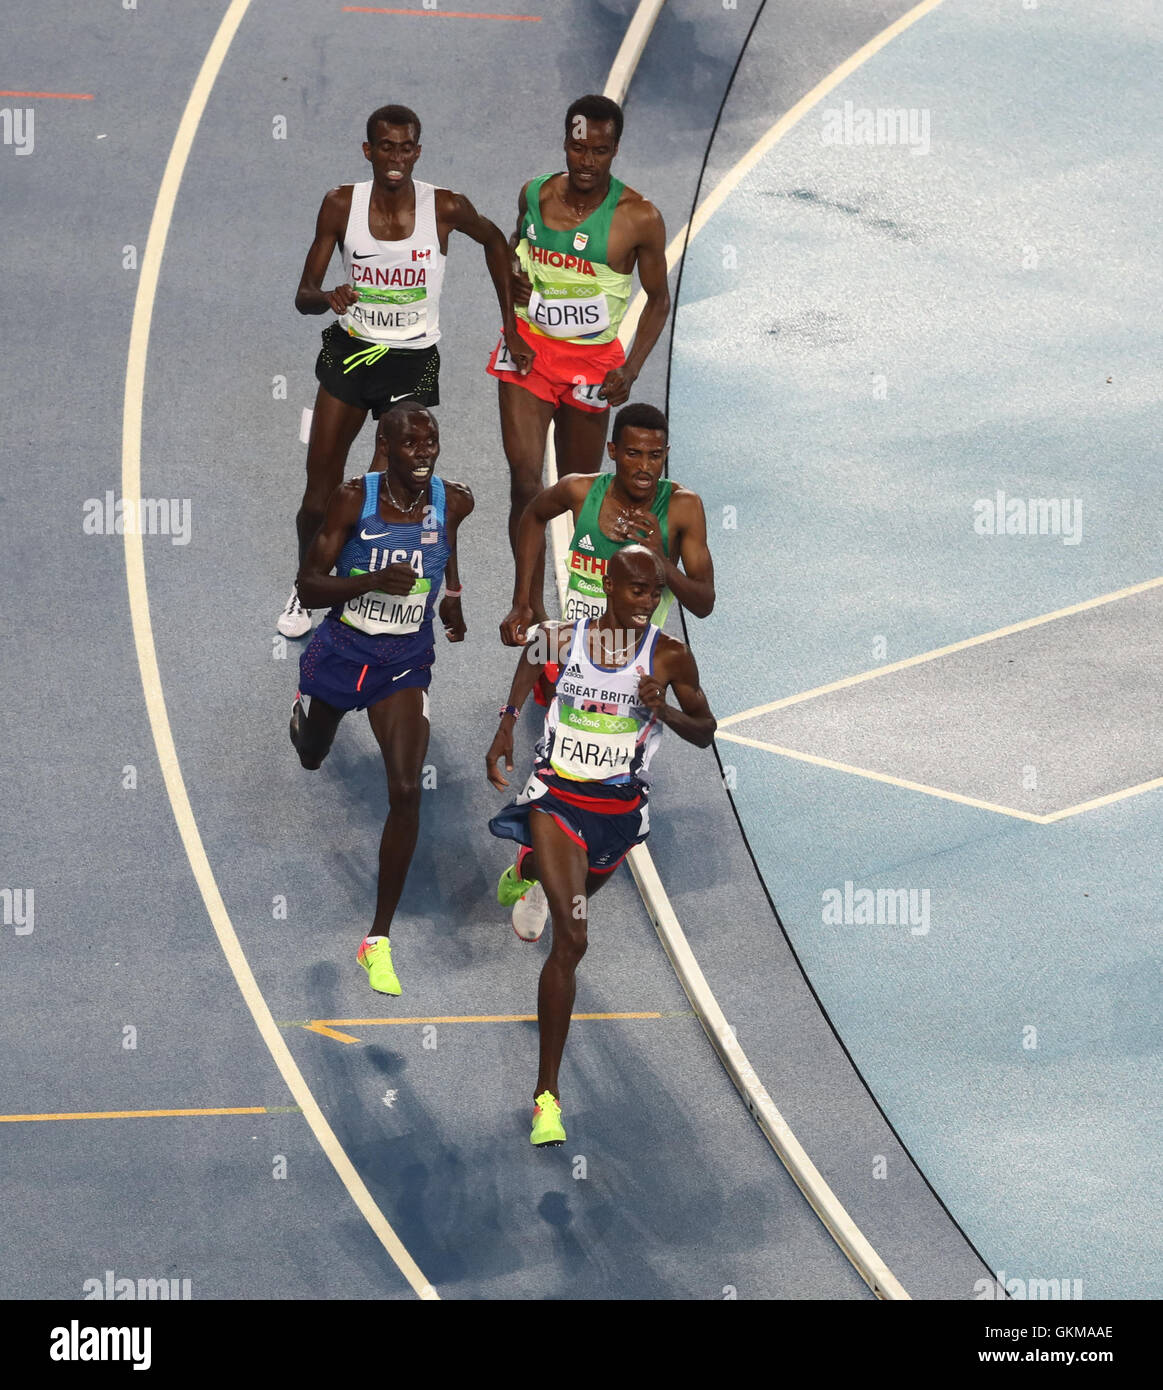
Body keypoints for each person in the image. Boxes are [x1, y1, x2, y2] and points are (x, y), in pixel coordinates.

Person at [485, 547, 717, 1146]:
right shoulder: (562, 638)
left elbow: (706, 732)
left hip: (616, 813)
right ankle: (547, 1097)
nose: (646, 603)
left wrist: (659, 706)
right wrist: (508, 724)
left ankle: (530, 870)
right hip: (558, 799)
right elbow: (524, 664)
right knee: (575, 936)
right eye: (637, 591)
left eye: (655, 594)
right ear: (609, 585)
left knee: (578, 895)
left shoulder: (669, 656)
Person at [278, 103, 524, 637]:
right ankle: (306, 585)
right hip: (351, 353)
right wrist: (328, 295)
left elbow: (495, 241)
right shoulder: (341, 205)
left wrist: (513, 324)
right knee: (319, 495)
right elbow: (302, 296)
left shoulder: (447, 207)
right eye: (385, 148)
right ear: (368, 151)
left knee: (381, 494)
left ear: (417, 150)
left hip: (412, 360)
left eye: (405, 148)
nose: (395, 158)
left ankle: (375, 602)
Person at [292, 405, 472, 996]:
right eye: (412, 442)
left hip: (402, 662)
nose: (425, 451)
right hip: (342, 653)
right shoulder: (352, 501)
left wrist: (451, 596)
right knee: (312, 754)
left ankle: (378, 939)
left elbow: (444, 549)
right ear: (387, 447)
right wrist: (370, 580)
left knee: (404, 787)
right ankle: (306, 714)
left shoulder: (455, 500)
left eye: (432, 441)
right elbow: (309, 587)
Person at [486, 94, 671, 619]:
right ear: (565, 141)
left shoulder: (639, 217)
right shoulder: (534, 195)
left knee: (581, 493)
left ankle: (585, 607)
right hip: (529, 352)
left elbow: (659, 299)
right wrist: (511, 315)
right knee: (525, 478)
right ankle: (528, 603)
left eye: (600, 151)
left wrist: (631, 367)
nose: (587, 161)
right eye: (578, 147)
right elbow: (511, 260)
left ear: (615, 150)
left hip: (593, 365)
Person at [500, 402, 715, 644]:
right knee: (534, 665)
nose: (644, 467)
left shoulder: (683, 508)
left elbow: (704, 603)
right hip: (575, 654)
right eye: (633, 454)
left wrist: (661, 562)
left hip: (635, 660)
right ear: (613, 451)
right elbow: (532, 515)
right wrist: (524, 602)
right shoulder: (579, 490)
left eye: (654, 456)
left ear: (665, 453)